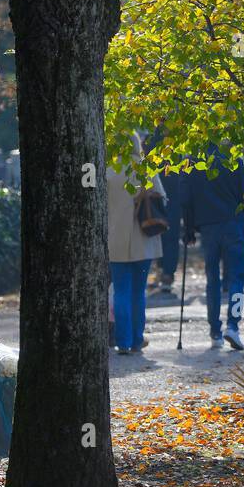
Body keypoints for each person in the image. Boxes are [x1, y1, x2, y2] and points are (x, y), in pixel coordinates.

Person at [179, 144, 244, 350]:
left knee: (212, 279)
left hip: (208, 226)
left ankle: (215, 331)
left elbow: (185, 197)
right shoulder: (233, 155)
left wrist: (189, 228)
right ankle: (233, 326)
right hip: (233, 223)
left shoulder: (192, 159)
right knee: (237, 277)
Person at [107, 134, 165, 355]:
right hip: (144, 237)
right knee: (138, 292)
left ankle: (122, 341)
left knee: (121, 290)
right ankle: (137, 339)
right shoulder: (145, 169)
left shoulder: (109, 171)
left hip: (116, 239)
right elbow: (161, 197)